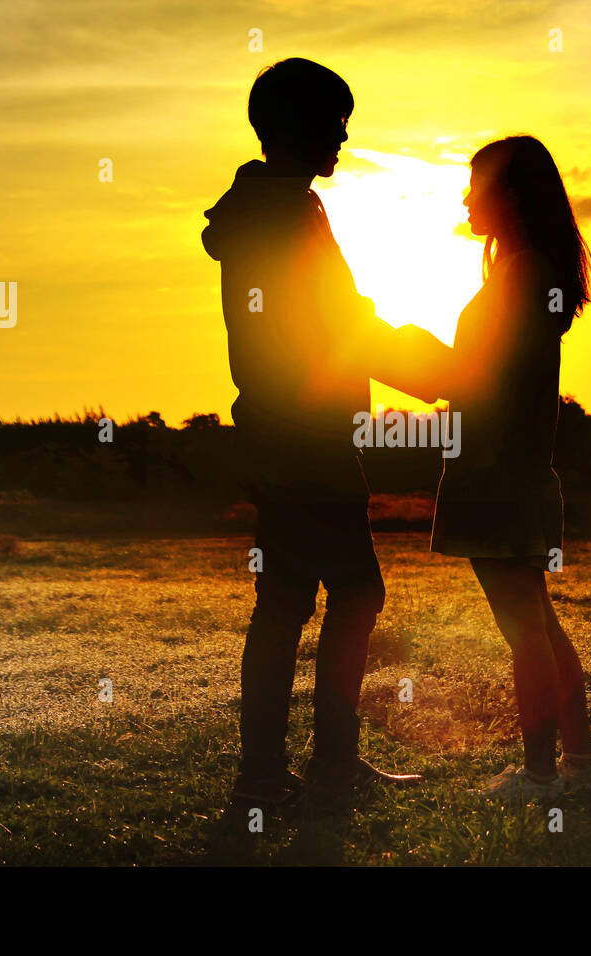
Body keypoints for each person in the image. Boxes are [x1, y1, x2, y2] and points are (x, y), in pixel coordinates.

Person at [202, 58, 439, 809]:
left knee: (293, 600)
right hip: (303, 438)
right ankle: (297, 771)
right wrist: (444, 372)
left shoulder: (273, 207)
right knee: (345, 593)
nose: (344, 134)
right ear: (296, 126)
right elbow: (339, 326)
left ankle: (276, 774)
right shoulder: (282, 215)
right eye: (334, 121)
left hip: (288, 435)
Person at [427, 136, 591, 802]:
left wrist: (403, 357)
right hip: (511, 471)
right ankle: (581, 766)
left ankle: (540, 775)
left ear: (511, 195)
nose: (467, 197)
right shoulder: (529, 271)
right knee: (538, 623)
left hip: (498, 474)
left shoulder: (522, 274)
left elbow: (480, 376)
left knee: (525, 630)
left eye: (477, 185)